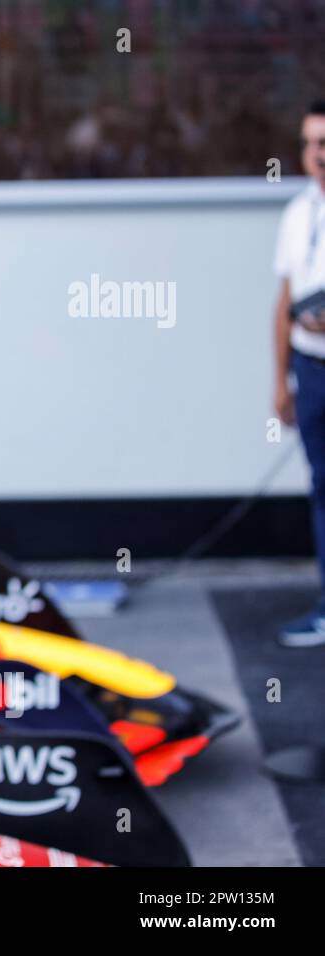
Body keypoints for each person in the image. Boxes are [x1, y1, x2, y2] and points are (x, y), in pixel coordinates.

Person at [275, 100, 325, 646]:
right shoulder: (298, 213)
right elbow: (283, 301)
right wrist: (281, 380)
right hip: (310, 366)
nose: (319, 155)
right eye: (312, 143)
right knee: (321, 487)